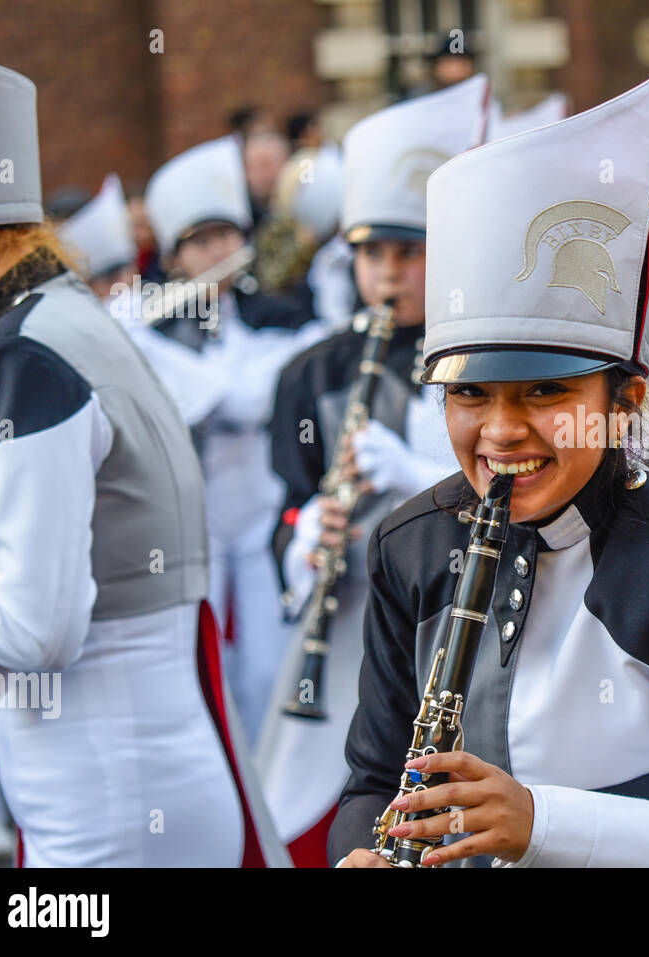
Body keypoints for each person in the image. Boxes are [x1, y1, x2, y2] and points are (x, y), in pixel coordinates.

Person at [328, 70, 649, 868]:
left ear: (627, 400)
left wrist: (539, 822)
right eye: (470, 394)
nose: (503, 432)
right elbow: (373, 780)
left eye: (547, 391)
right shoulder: (407, 545)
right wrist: (358, 854)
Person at [0, 52, 248, 865]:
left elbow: (34, 626)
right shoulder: (60, 316)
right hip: (127, 788)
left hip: (108, 808)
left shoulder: (22, 354)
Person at [258, 76, 487, 866]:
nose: (387, 272)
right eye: (370, 253)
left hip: (463, 620)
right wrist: (304, 541)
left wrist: (417, 467)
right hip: (351, 626)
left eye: (409, 251)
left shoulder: (484, 363)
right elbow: (285, 510)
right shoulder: (313, 371)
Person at [143, 136, 328, 744]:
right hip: (192, 525)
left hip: (262, 517)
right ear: (176, 257)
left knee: (264, 672)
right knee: (197, 669)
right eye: (200, 241)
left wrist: (145, 345)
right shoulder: (161, 328)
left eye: (225, 235)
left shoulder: (278, 313)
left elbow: (240, 399)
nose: (217, 250)